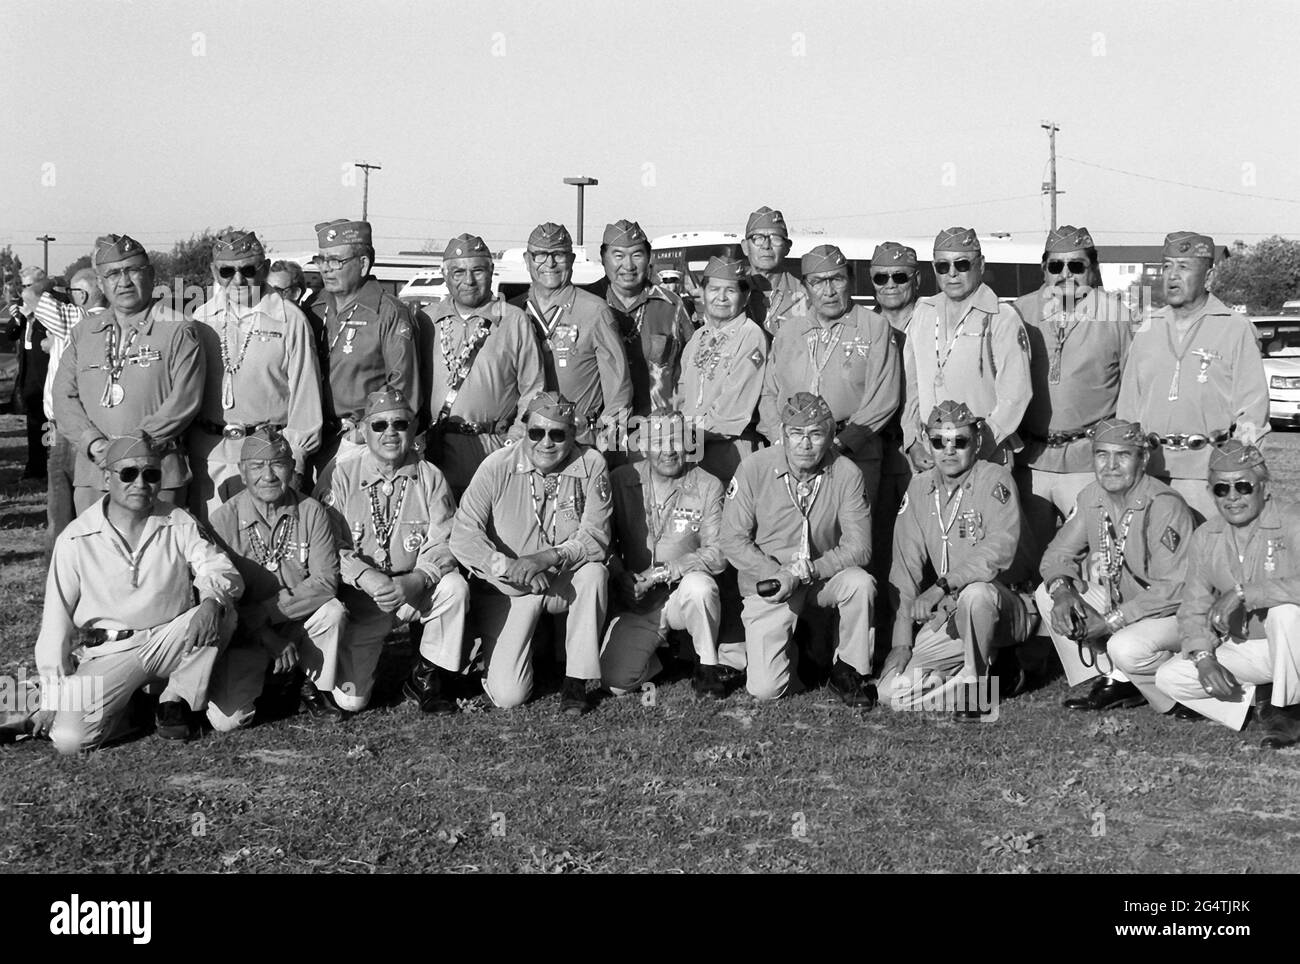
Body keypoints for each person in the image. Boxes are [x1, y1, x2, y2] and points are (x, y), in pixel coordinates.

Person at [33, 435, 242, 753]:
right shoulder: (76, 538)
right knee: (68, 738)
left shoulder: (178, 521)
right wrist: (51, 693)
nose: (140, 482)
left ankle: (174, 699)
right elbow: (55, 623)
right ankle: (129, 706)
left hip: (169, 642)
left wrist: (212, 600)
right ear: (107, 478)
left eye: (151, 473)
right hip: (110, 652)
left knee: (221, 612)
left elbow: (220, 569)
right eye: (128, 473)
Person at [450, 391, 611, 715]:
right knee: (509, 696)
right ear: (524, 429)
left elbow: (596, 536)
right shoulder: (496, 465)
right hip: (512, 589)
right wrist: (510, 567)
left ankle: (575, 681)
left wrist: (547, 558)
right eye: (537, 432)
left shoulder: (592, 463)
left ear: (573, 435)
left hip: (562, 578)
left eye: (557, 434)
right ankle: (521, 650)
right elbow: (463, 536)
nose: (546, 443)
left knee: (595, 573)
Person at [316, 389, 468, 715]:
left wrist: (419, 578)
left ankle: (426, 677)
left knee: (454, 588)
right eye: (379, 425)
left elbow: (445, 540)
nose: (390, 433)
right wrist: (363, 575)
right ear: (364, 429)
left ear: (412, 429)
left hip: (413, 590)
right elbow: (325, 544)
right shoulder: (340, 474)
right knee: (351, 702)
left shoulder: (430, 477)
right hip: (363, 597)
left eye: (399, 424)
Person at [719, 392, 876, 705]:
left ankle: (850, 670)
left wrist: (809, 571)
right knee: (765, 690)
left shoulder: (846, 473)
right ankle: (798, 649)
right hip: (772, 584)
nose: (805, 444)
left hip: (821, 577)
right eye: (796, 434)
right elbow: (732, 539)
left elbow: (860, 547)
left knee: (860, 582)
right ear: (782, 435)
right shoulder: (754, 468)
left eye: (816, 435)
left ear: (831, 436)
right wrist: (777, 573)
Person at [881, 401, 1033, 719]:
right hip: (951, 615)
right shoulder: (919, 486)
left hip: (1004, 605)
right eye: (939, 442)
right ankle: (977, 675)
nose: (949, 450)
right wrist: (902, 641)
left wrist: (941, 585)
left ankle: (978, 689)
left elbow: (999, 550)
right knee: (889, 692)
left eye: (960, 441)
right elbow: (905, 566)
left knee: (977, 593)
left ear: (976, 442)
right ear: (926, 442)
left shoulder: (996, 479)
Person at [1035, 419, 1196, 715]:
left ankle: (1183, 687)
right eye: (1102, 455)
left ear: (1143, 459)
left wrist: (1111, 622)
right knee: (1047, 594)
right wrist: (1062, 594)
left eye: (1122, 455)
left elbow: (1176, 589)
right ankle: (1115, 676)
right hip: (1123, 606)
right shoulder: (1092, 496)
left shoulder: (1163, 504)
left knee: (1125, 645)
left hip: (1174, 614)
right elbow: (1056, 554)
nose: (1110, 465)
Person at [1155, 442, 1300, 747]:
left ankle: (1289, 710)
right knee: (1169, 678)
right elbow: (1194, 607)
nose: (1233, 497)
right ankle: (1263, 699)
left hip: (1295, 644)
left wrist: (1246, 592)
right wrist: (1204, 657)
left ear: (1265, 487)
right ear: (1211, 493)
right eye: (1222, 489)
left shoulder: (1293, 520)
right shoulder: (1206, 536)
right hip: (1250, 648)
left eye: (1243, 486)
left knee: (1286, 612)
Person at [1117, 232, 1268, 522]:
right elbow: (1129, 406)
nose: (1172, 276)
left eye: (1184, 267)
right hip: (1152, 473)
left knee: (1209, 561)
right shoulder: (1149, 327)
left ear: (1208, 276)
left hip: (1207, 476)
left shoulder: (1235, 329)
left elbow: (1253, 411)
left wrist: (1233, 474)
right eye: (1167, 266)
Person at [207, 428, 346, 729]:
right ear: (242, 473)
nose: (268, 475)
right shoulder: (222, 521)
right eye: (257, 466)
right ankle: (270, 683)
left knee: (332, 612)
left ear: (291, 469)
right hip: (247, 630)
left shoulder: (312, 511)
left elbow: (325, 582)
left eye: (278, 464)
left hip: (298, 622)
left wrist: (267, 613)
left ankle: (311, 685)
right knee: (227, 721)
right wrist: (263, 632)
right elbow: (221, 596)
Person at [54, 234, 204, 513]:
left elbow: (185, 401)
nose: (123, 282)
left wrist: (133, 449)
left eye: (133, 270)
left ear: (151, 274)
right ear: (100, 283)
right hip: (94, 472)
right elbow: (63, 397)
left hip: (154, 472)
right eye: (112, 274)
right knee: (95, 553)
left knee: (158, 554)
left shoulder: (178, 329)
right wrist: (92, 442)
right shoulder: (83, 333)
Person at [1016, 226, 1133, 554]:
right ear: (1044, 269)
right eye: (1056, 266)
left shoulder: (1115, 315)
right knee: (1027, 559)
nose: (1065, 274)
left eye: (1076, 266)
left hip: (1086, 462)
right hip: (1031, 461)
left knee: (1092, 557)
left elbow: (1131, 389)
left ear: (1092, 269)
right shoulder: (1018, 313)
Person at [190, 230, 323, 516]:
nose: (238, 280)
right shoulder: (200, 319)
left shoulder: (290, 319)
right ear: (215, 272)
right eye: (227, 271)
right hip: (211, 456)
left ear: (263, 268)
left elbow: (306, 392)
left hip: (268, 457)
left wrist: (296, 458)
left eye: (248, 270)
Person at [600, 408, 729, 698]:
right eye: (659, 442)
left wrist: (663, 572)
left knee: (701, 586)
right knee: (616, 682)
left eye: (677, 441)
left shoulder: (708, 485)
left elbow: (719, 552)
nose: (669, 451)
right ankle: (662, 659)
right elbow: (603, 542)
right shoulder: (621, 479)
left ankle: (706, 668)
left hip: (681, 593)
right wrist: (620, 575)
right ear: (644, 447)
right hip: (638, 600)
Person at [758, 243, 900, 504]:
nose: (829, 291)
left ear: (851, 280)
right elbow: (769, 393)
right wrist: (782, 439)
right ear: (806, 287)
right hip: (794, 456)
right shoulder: (789, 332)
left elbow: (884, 398)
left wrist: (841, 442)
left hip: (853, 454)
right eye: (818, 282)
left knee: (852, 535)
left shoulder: (875, 328)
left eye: (837, 279)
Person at [901, 227, 1031, 472]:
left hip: (985, 452)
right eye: (943, 266)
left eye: (961, 265)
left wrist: (975, 447)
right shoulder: (923, 313)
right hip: (932, 453)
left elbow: (1016, 395)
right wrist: (912, 441)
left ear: (980, 265)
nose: (952, 274)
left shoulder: (1002, 317)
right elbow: (911, 388)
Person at [425, 233, 543, 495]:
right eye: (458, 272)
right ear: (445, 275)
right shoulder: (426, 320)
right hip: (436, 455)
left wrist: (515, 439)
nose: (468, 280)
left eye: (477, 271)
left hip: (494, 449)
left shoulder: (513, 320)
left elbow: (533, 389)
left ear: (491, 271)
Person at [309, 219, 421, 477]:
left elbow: (404, 388)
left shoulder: (388, 313)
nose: (326, 269)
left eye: (336, 261)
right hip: (315, 440)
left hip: (363, 442)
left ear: (363, 264)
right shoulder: (314, 309)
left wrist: (362, 433)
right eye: (321, 260)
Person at [511, 222, 631, 449]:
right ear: (527, 260)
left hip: (579, 440)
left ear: (572, 260)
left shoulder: (595, 312)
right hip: (528, 441)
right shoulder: (514, 312)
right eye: (541, 255)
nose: (550, 263)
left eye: (559, 255)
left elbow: (619, 391)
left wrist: (607, 445)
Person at [677, 256, 767, 485]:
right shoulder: (699, 336)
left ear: (745, 296)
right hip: (692, 453)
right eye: (714, 289)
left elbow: (732, 411)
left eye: (731, 291)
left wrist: (685, 436)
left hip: (730, 455)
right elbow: (681, 394)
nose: (721, 298)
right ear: (703, 293)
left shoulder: (751, 336)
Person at [592, 220, 694, 419]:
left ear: (649, 258)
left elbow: (691, 367)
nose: (628, 265)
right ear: (603, 258)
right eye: (618, 255)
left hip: (658, 431)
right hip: (603, 428)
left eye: (637, 255)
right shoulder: (589, 303)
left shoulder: (672, 305)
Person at [871, 243, 922, 620]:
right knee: (877, 543)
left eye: (899, 276)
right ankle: (884, 631)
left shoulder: (932, 322)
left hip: (919, 451)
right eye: (881, 277)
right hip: (874, 448)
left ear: (916, 279)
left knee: (919, 542)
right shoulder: (864, 327)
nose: (890, 284)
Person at [36, 268, 106, 544]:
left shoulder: (75, 319)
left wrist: (45, 284)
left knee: (61, 512)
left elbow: (33, 295)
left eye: (72, 292)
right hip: (96, 427)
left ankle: (59, 576)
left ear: (83, 294)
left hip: (67, 429)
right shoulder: (112, 322)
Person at [6, 266, 51, 479]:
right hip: (28, 375)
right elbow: (10, 335)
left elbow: (53, 336)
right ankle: (35, 466)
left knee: (48, 425)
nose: (24, 291)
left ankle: (49, 466)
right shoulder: (24, 307)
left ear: (40, 285)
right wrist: (17, 320)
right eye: (22, 286)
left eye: (28, 285)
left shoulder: (52, 306)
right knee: (34, 423)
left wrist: (33, 318)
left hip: (47, 374)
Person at [741, 206, 805, 338]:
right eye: (757, 238)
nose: (766, 245)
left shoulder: (805, 296)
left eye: (775, 238)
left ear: (787, 247)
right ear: (745, 247)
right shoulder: (732, 294)